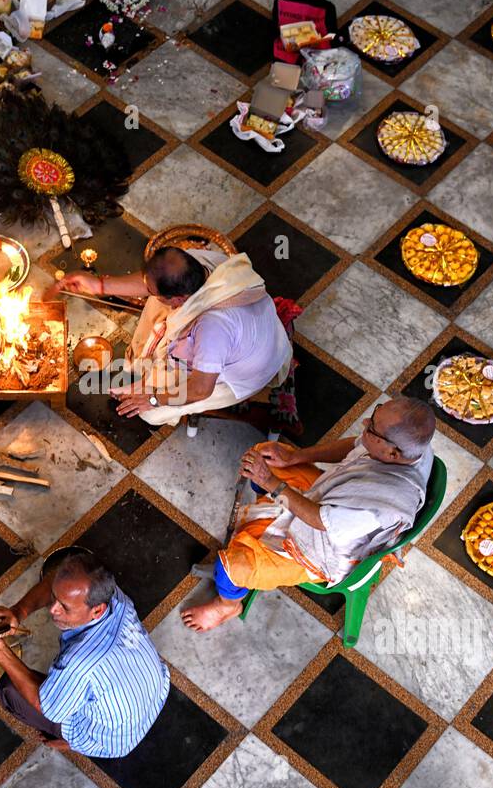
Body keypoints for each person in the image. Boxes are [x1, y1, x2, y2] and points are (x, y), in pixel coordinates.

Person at [181, 397, 436, 632]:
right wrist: (295, 456)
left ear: (392, 453)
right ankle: (266, 511)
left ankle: (228, 605)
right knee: (266, 455)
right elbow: (357, 445)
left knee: (229, 568)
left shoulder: (382, 507)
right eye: (375, 412)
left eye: (372, 428)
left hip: (320, 547)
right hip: (329, 499)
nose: (365, 422)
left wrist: (271, 483)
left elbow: (318, 519)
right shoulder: (407, 447)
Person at [49, 246, 291, 426]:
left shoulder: (213, 329)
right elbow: (151, 282)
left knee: (150, 414)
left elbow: (200, 388)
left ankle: (147, 383)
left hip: (241, 372)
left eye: (155, 291)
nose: (147, 291)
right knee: (155, 306)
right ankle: (144, 369)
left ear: (179, 299)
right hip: (240, 335)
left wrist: (153, 398)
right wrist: (99, 286)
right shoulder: (198, 263)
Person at [0, 548, 169, 758]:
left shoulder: (80, 663)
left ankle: (74, 741)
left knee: (8, 690)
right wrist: (19, 611)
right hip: (155, 694)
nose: (53, 609)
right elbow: (56, 580)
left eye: (64, 607)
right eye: (54, 597)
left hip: (112, 742)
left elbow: (46, 706)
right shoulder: (116, 598)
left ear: (97, 610)